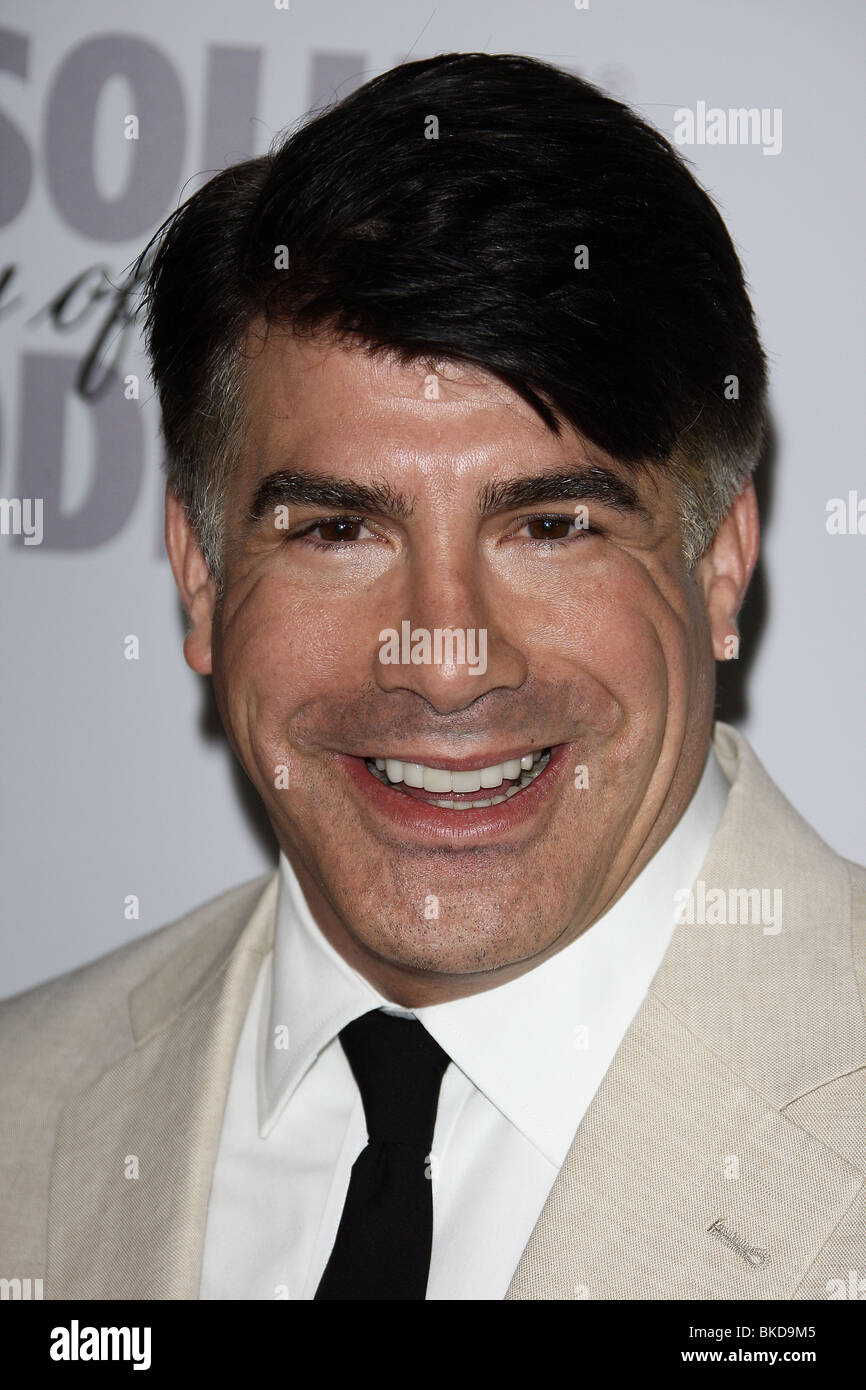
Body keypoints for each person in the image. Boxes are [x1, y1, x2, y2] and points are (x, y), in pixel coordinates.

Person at [1, 52, 863, 1301]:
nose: (445, 661)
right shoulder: (24, 1108)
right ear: (198, 577)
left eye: (551, 526)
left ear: (718, 560)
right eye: (338, 531)